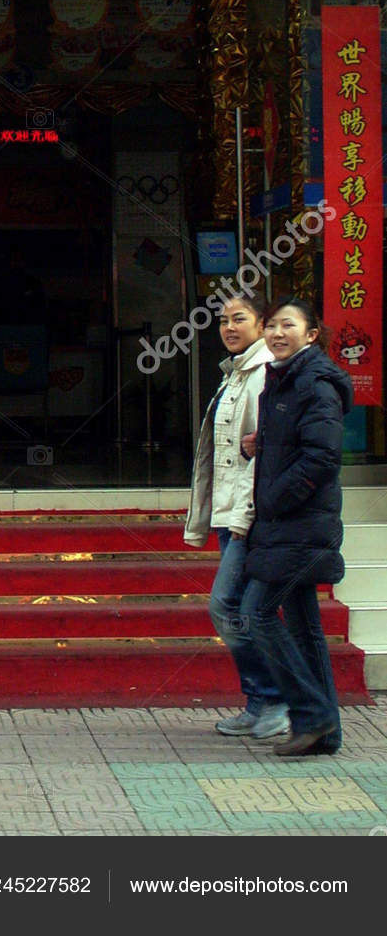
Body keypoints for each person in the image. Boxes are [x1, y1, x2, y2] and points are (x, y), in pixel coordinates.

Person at [241, 296, 353, 757]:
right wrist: (261, 446)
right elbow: (298, 445)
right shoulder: (285, 380)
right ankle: (325, 731)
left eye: (288, 325)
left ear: (311, 335)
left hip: (301, 525)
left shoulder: (314, 383)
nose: (276, 333)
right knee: (305, 627)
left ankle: (313, 714)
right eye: (271, 326)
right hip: (290, 525)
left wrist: (271, 497)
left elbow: (323, 457)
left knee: (257, 612)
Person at [184, 290, 287, 739]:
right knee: (243, 609)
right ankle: (263, 701)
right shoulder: (238, 372)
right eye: (223, 320)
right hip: (233, 515)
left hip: (251, 517)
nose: (228, 327)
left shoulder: (263, 374)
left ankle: (276, 698)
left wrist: (243, 520)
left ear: (262, 323)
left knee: (228, 606)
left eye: (239, 318)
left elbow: (260, 459)